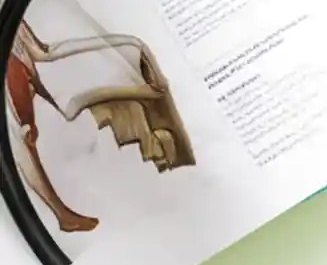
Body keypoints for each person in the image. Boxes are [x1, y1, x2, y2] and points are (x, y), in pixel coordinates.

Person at [6, 19, 195, 233]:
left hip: (27, 68)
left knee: (134, 53)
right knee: (21, 138)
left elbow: (39, 52)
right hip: (22, 83)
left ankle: (63, 214)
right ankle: (62, 214)